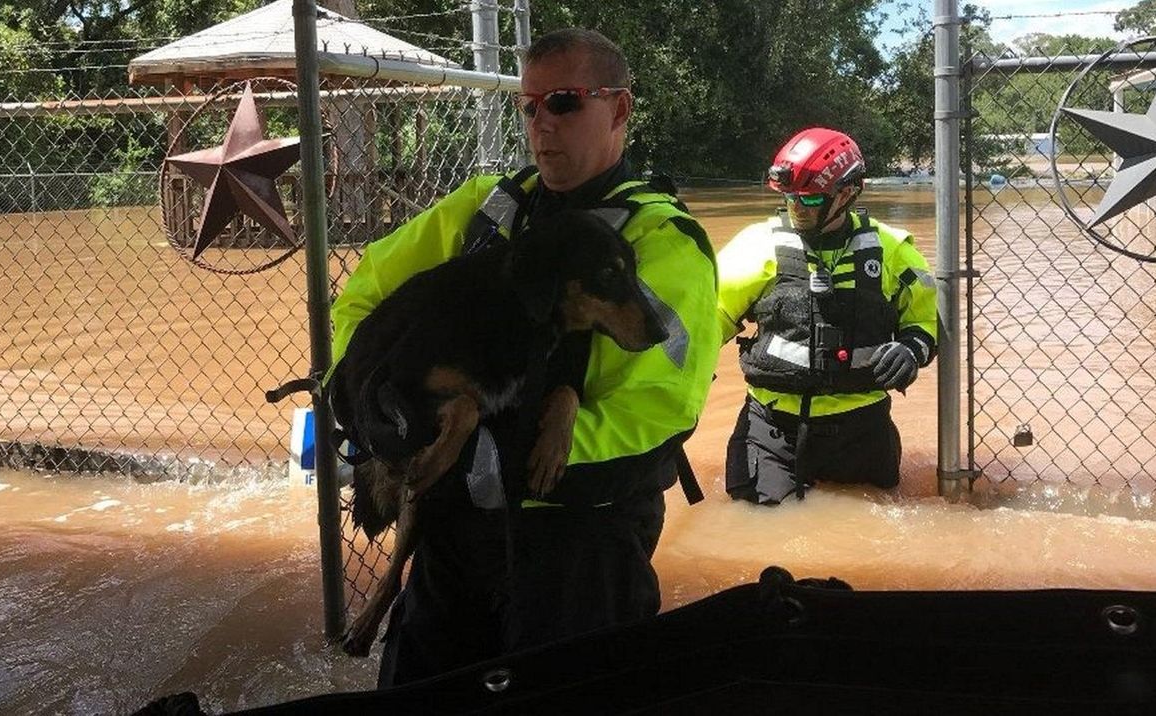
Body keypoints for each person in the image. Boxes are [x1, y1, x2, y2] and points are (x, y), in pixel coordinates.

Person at [328, 28, 720, 686]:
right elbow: (362, 301)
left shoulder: (662, 241)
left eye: (564, 102)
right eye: (529, 105)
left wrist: (485, 456)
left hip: (578, 545)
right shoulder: (485, 208)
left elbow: (652, 416)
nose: (542, 123)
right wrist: (377, 407)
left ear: (620, 109)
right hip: (453, 540)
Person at [715, 127, 937, 505]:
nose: (796, 208)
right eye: (789, 197)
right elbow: (706, 322)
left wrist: (911, 350)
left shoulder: (892, 251)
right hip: (771, 430)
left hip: (863, 431)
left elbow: (926, 322)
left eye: (811, 198)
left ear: (848, 193)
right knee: (759, 534)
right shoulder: (755, 246)